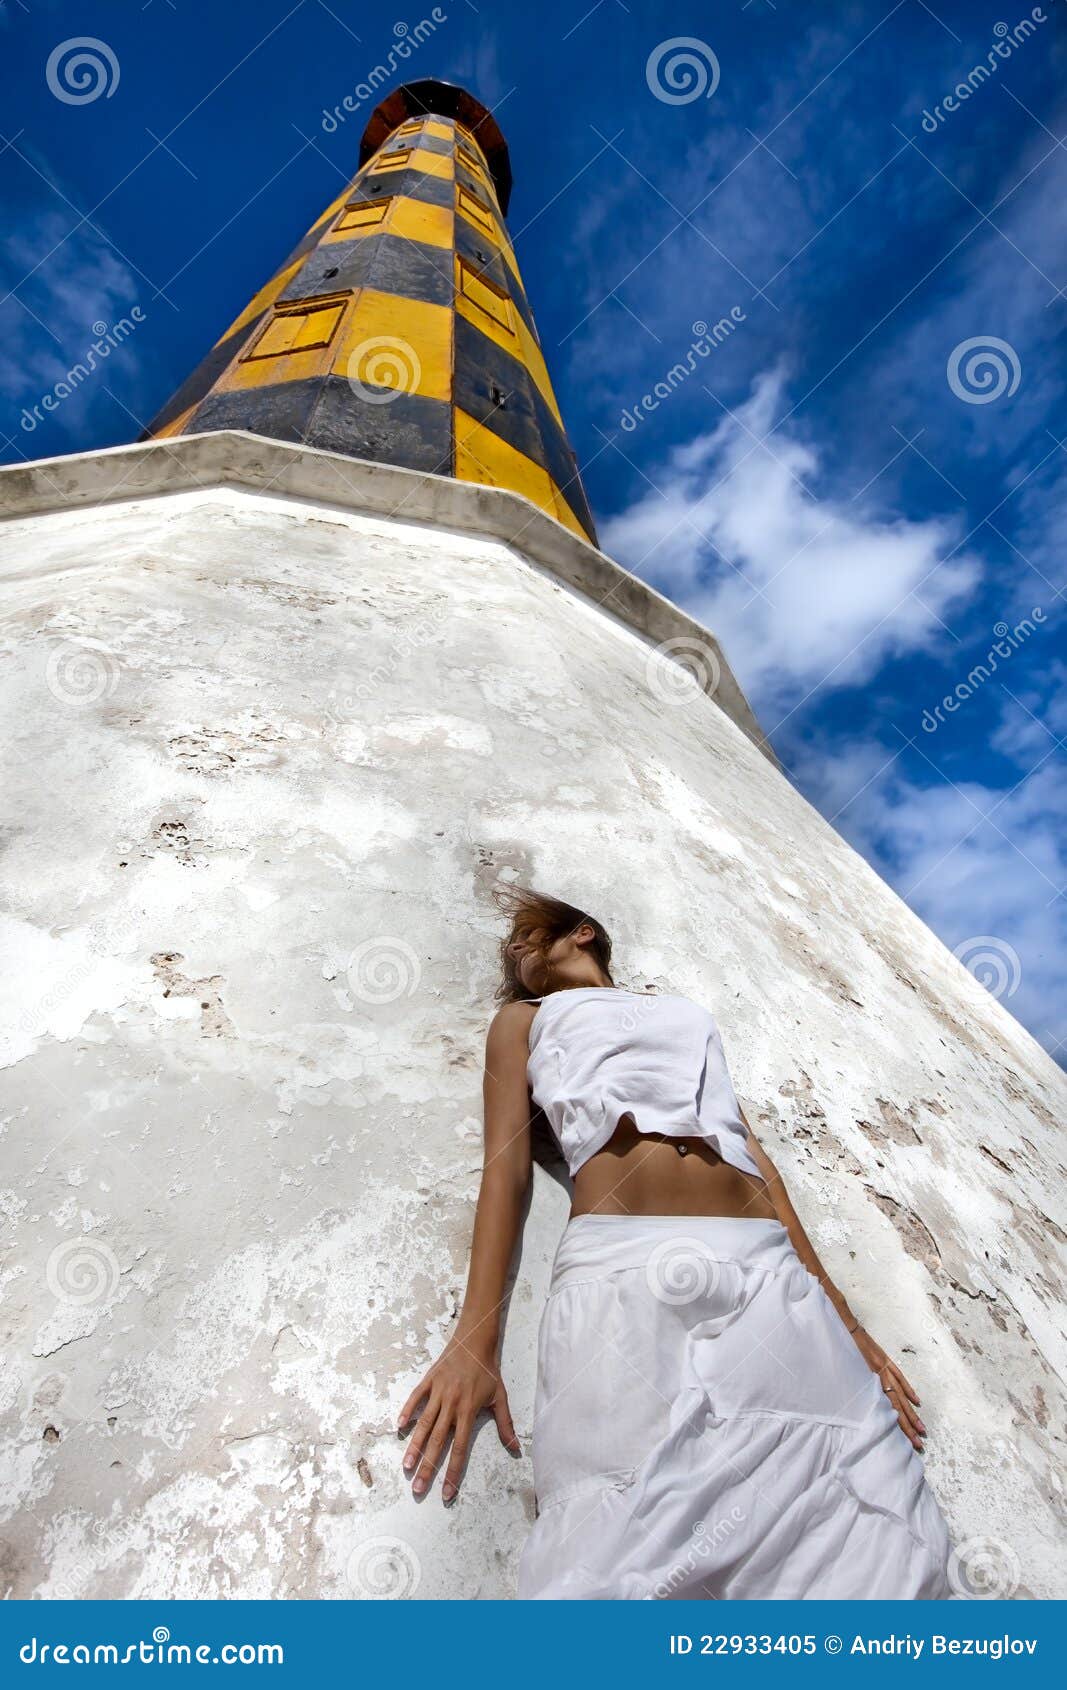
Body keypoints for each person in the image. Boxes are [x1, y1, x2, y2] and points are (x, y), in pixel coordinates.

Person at [397, 888, 953, 1599]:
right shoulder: (523, 1020)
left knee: (868, 1531)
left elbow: (754, 1156)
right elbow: (506, 1169)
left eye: (526, 937)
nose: (513, 952)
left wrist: (848, 1324)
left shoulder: (682, 1013)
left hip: (765, 1268)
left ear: (581, 933)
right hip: (624, 1261)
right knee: (625, 1544)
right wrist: (475, 1343)